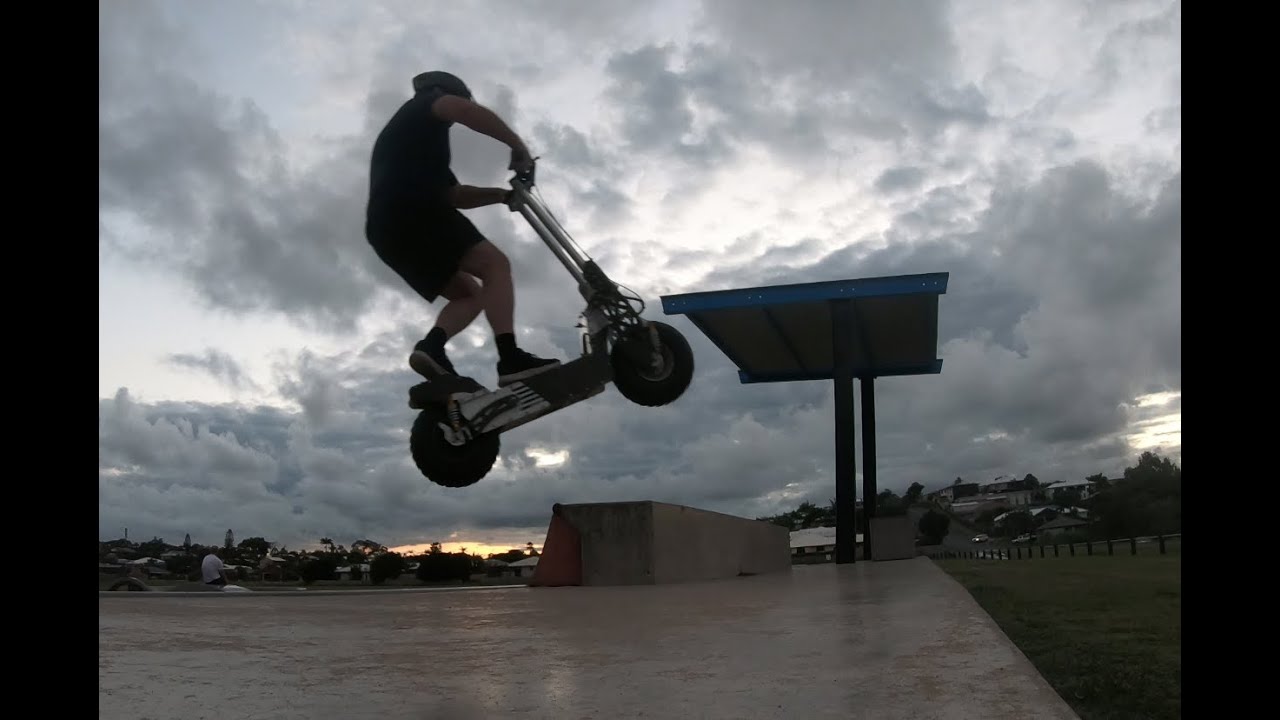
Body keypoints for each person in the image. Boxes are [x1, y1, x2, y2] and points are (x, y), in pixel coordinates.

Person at [365, 70, 561, 386]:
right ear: (443, 91)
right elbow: (466, 111)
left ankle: (431, 348)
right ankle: (511, 360)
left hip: (385, 229)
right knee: (496, 265)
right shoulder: (427, 103)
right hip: (414, 210)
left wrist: (501, 195)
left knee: (469, 294)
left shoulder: (415, 142)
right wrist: (517, 145)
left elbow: (454, 196)